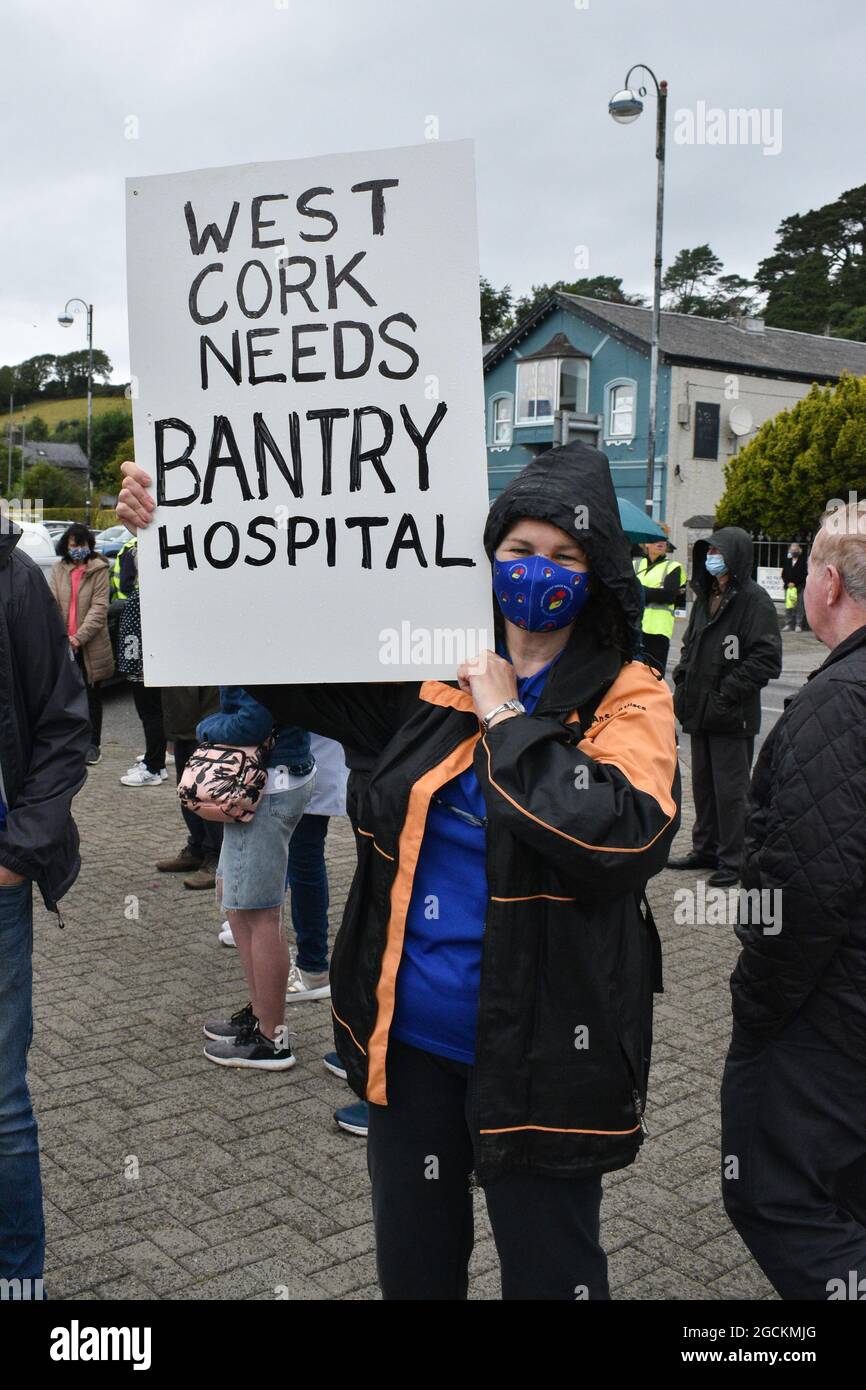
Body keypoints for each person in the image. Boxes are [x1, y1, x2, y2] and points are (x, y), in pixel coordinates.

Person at [119, 440, 681, 1300]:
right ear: (487, 559)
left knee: (552, 1274)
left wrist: (505, 716)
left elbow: (620, 836)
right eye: (519, 551)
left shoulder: (630, 695)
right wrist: (176, 544)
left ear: (598, 571)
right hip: (408, 1047)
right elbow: (279, 656)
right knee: (415, 1274)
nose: (538, 572)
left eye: (564, 555)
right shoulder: (428, 674)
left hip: (545, 1058)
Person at [721, 501, 866, 1299]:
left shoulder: (839, 705)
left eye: (807, 565)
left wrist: (759, 1005)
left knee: (777, 1197)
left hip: (827, 1017)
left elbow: (805, 891)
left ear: (829, 583)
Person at [0, 516, 90, 1291]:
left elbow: (64, 724)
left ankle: (17, 1280)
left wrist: (19, 852)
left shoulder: (12, 576)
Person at [199, 687, 314, 1069]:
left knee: (260, 914)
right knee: (240, 908)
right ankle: (262, 1017)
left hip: (266, 783)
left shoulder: (254, 637)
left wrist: (204, 727)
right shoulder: (257, 635)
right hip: (266, 778)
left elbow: (252, 722)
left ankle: (272, 1039)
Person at [669, 527, 782, 888]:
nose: (711, 556)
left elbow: (766, 658)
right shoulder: (706, 596)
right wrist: (683, 680)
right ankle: (706, 850)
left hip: (731, 715)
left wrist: (726, 693)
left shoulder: (754, 601)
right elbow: (691, 645)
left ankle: (734, 861)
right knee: (703, 786)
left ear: (735, 556)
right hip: (700, 711)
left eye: (718, 551)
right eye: (708, 550)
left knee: (732, 793)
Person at [285, 734, 349, 1001]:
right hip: (304, 765)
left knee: (304, 863)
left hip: (307, 766)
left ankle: (314, 967)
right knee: (298, 860)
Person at [48, 525, 114, 766]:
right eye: (74, 545)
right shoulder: (58, 569)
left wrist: (78, 638)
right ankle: (71, 743)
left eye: (82, 545)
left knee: (92, 697)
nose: (78, 550)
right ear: (66, 546)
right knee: (65, 698)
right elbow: (52, 604)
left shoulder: (99, 569)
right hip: (64, 645)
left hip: (90, 646)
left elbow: (99, 609)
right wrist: (64, 638)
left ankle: (93, 745)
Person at [157, 687, 223, 888]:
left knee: (206, 794)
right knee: (187, 791)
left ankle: (217, 856)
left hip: (206, 718)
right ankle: (198, 848)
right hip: (183, 722)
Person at [115, 551, 167, 786]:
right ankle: (155, 760)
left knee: (151, 715)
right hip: (142, 665)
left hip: (144, 667)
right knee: (150, 715)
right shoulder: (147, 592)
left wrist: (140, 665)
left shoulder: (147, 594)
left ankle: (154, 766)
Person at [633, 533, 686, 675]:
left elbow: (668, 595)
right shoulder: (635, 564)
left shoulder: (673, 567)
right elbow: (626, 591)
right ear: (647, 544)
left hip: (658, 630)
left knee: (654, 676)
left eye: (664, 538)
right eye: (656, 538)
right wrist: (651, 592)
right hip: (634, 626)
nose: (661, 541)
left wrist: (640, 591)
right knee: (631, 675)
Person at [780, 541, 808, 632]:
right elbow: (783, 574)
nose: (794, 551)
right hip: (788, 587)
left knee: (799, 606)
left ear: (799, 551)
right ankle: (788, 624)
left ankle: (798, 624)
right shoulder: (787, 561)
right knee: (789, 605)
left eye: (796, 550)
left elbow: (804, 575)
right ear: (790, 551)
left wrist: (795, 583)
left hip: (799, 587)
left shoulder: (803, 562)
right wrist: (788, 583)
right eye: (792, 550)